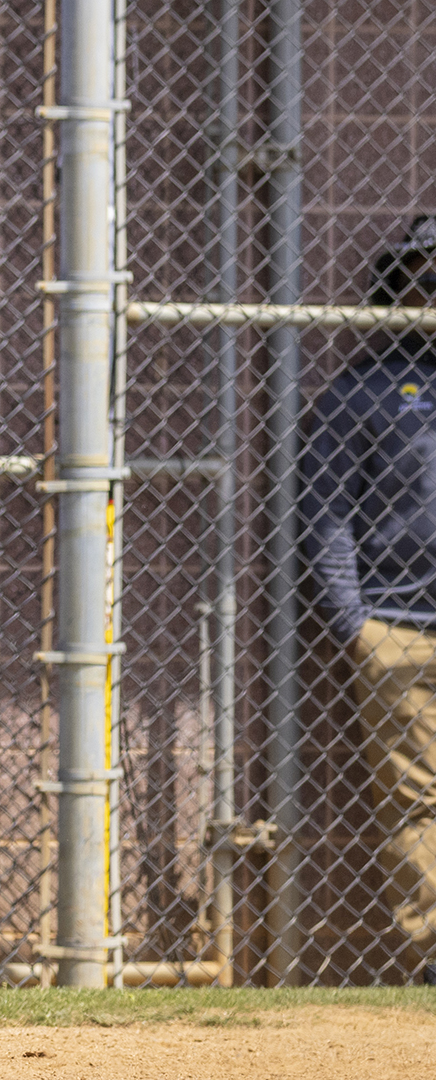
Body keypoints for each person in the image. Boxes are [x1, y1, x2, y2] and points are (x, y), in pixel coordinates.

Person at [302, 214, 436, 987]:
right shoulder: (362, 392)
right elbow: (326, 517)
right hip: (398, 628)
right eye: (423, 275)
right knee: (419, 800)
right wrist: (358, 626)